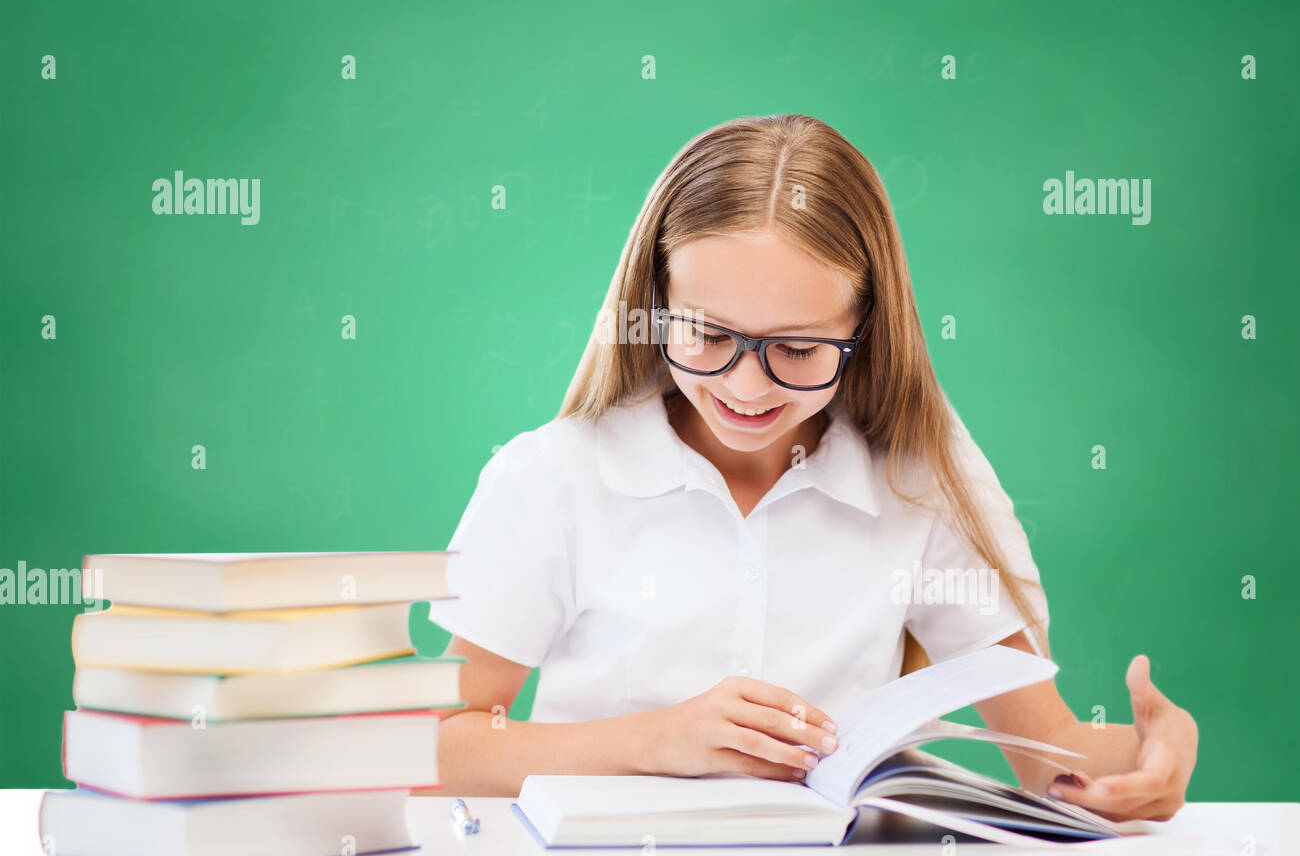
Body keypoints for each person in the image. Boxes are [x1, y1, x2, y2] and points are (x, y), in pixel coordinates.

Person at [432, 113, 1198, 820]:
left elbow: (1049, 757)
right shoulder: (552, 477)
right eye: (703, 334)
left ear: (865, 327)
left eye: (797, 350)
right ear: (656, 299)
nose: (745, 386)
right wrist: (656, 741)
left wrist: (1150, 759)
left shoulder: (918, 483)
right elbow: (443, 744)